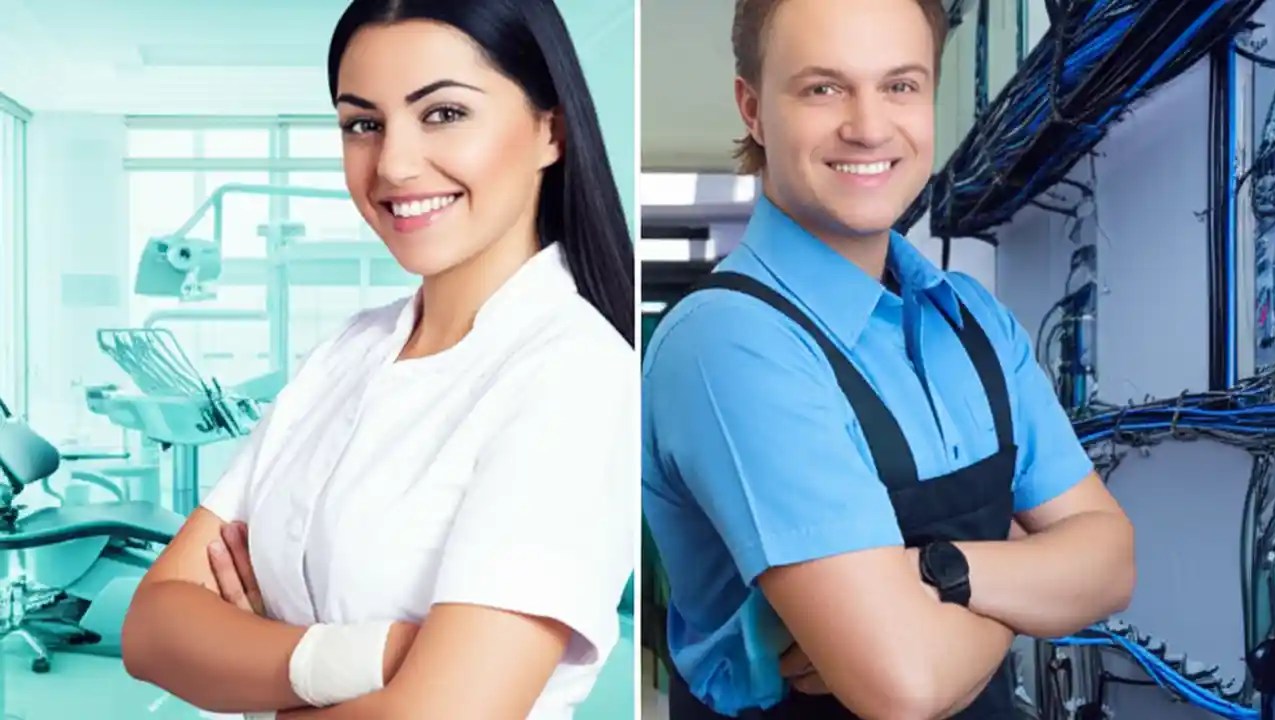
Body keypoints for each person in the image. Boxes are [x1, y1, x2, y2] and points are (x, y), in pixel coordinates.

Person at [121, 1, 636, 718]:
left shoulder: (575, 373)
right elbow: (150, 630)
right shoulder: (347, 351)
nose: (392, 164)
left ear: (551, 129)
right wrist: (379, 657)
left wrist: (262, 662)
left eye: (444, 113)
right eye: (363, 124)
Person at [640, 0, 1136, 718]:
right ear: (752, 108)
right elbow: (903, 685)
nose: (868, 126)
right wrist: (1029, 581)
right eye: (823, 88)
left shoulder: (975, 320)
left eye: (900, 85)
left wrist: (938, 572)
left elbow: (1113, 560)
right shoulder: (728, 342)